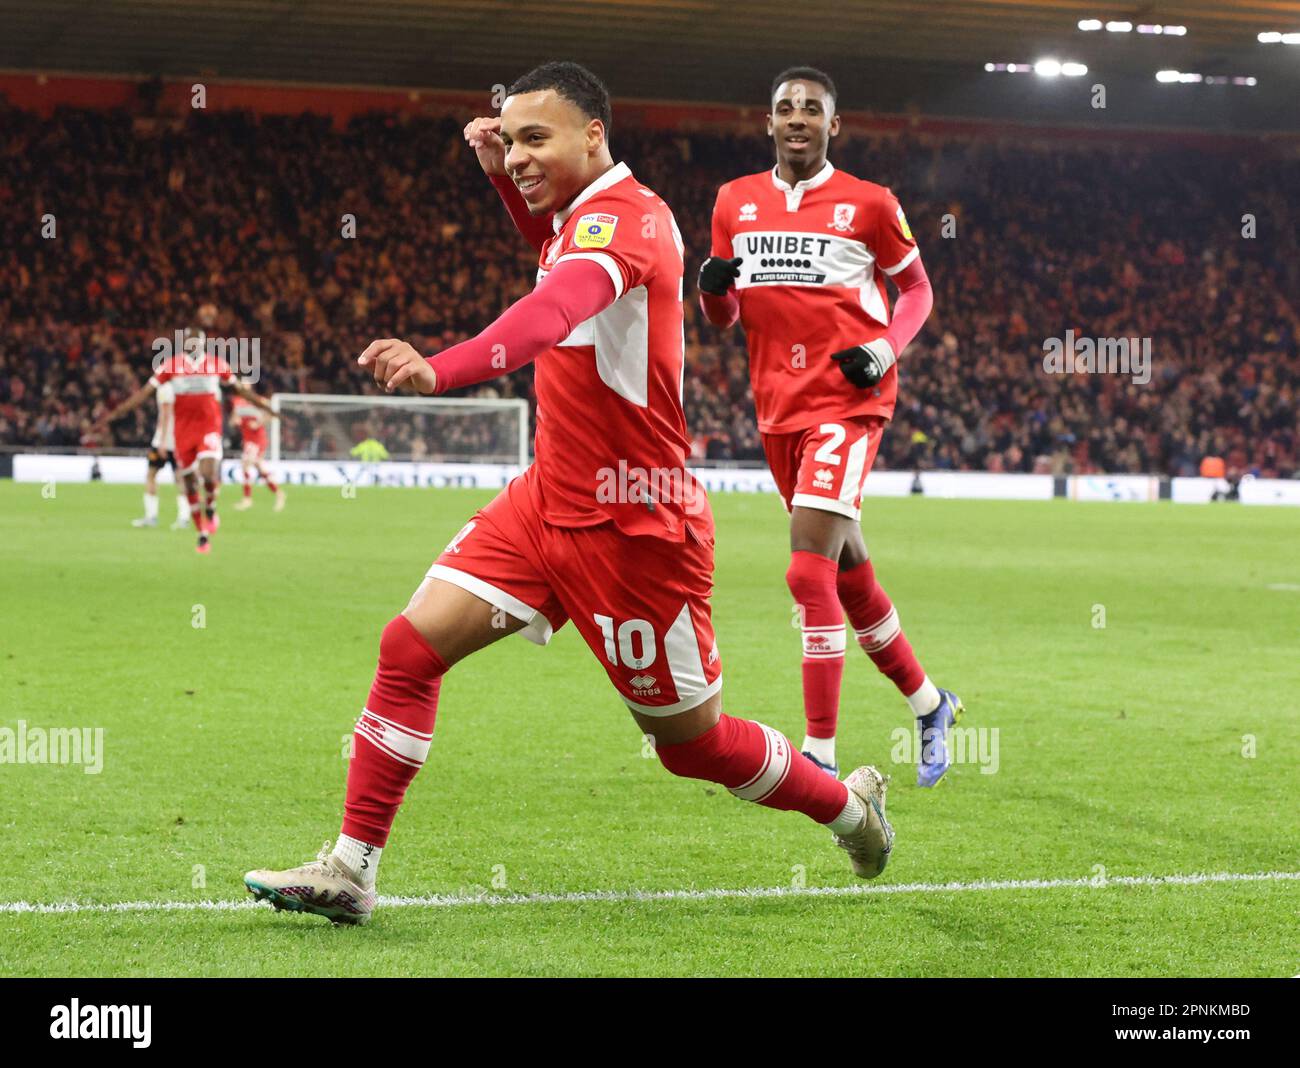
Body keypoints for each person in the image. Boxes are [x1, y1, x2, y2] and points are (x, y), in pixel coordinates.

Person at [243, 61, 893, 926]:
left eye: (535, 138)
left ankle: (850, 808)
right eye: (509, 139)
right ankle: (351, 868)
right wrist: (505, 186)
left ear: (595, 135)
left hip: (635, 529)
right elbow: (554, 262)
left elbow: (552, 310)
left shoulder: (630, 222)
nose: (516, 154)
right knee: (409, 649)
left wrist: (443, 366)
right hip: (545, 503)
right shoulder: (580, 218)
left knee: (692, 745)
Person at [698, 67, 962, 785]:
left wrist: (884, 348)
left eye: (811, 109)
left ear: (832, 126)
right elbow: (724, 317)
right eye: (785, 108)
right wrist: (712, 294)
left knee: (806, 570)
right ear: (769, 122)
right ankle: (931, 703)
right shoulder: (734, 203)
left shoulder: (870, 204)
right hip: (776, 410)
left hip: (847, 406)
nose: (797, 118)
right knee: (850, 579)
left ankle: (819, 754)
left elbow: (918, 289)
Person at [96, 328, 277, 553]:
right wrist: (117, 412)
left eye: (197, 343)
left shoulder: (216, 364)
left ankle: (210, 506)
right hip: (182, 433)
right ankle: (202, 533)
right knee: (190, 482)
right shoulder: (170, 366)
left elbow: (239, 389)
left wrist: (266, 407)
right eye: (190, 342)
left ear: (203, 345)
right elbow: (144, 393)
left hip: (209, 428)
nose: (194, 346)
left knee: (209, 472)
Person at [131, 379, 192, 531]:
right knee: (180, 478)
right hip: (180, 438)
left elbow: (165, 415)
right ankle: (184, 518)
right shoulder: (184, 387)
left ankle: (151, 516)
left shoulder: (165, 388)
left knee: (151, 475)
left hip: (164, 441)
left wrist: (163, 441)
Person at [230, 394, 286, 512]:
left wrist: (259, 423)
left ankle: (247, 499)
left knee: (245, 464)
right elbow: (234, 419)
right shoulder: (237, 401)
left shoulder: (259, 400)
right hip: (247, 439)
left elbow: (271, 414)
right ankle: (279, 493)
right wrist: (235, 421)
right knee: (260, 468)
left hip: (257, 439)